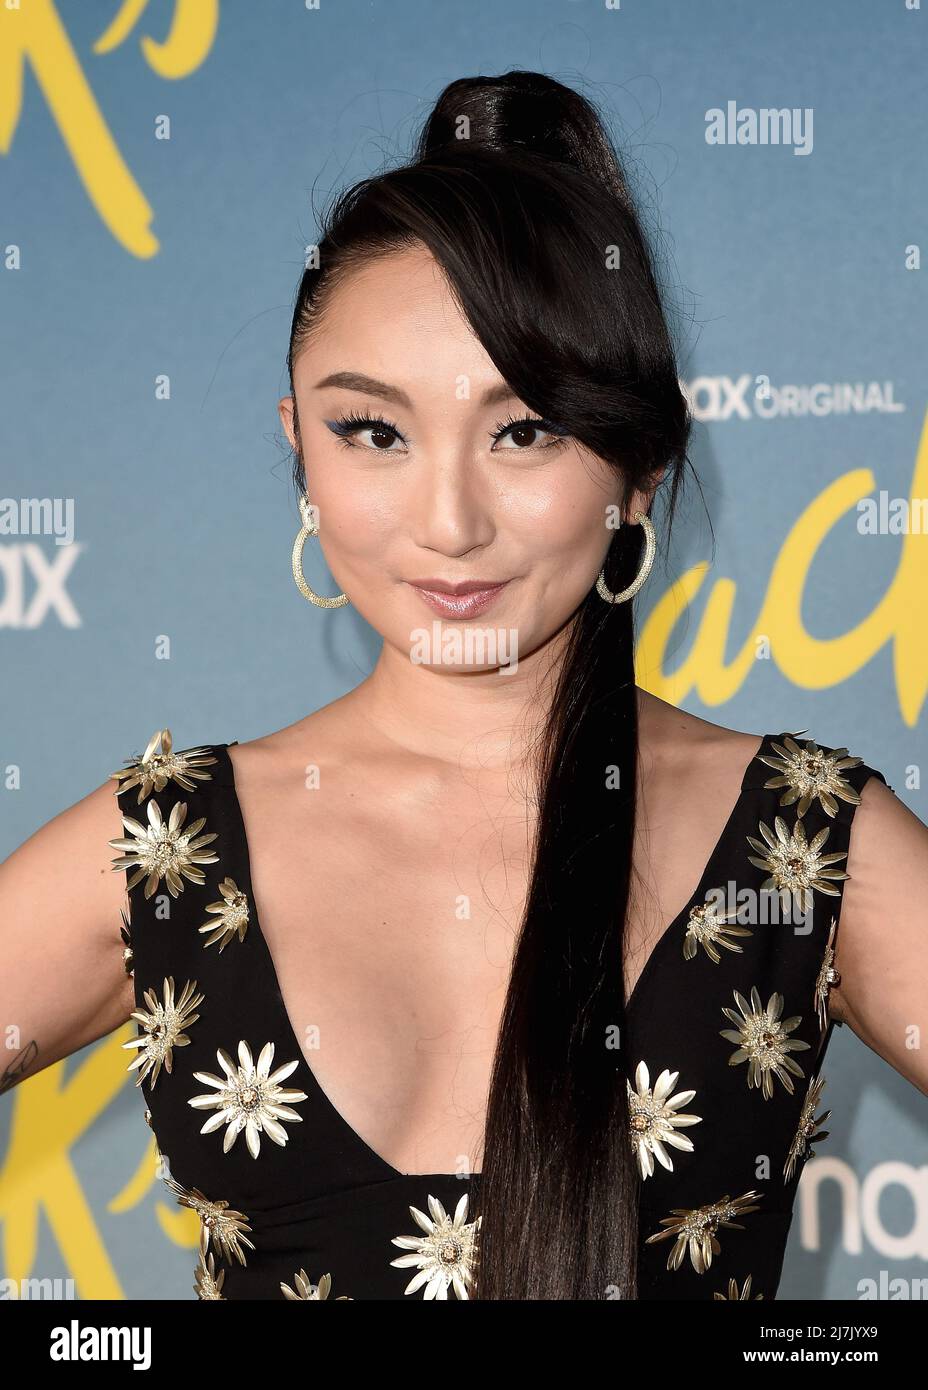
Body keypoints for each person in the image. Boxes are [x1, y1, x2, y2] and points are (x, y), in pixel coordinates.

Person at [2, 71, 926, 1302]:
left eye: (524, 429)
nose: (445, 524)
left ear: (639, 467)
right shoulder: (166, 849)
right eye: (372, 432)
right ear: (297, 445)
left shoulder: (805, 841)